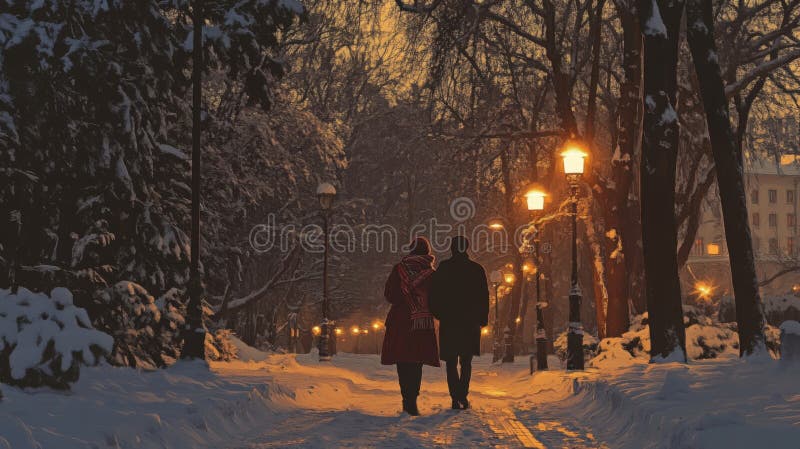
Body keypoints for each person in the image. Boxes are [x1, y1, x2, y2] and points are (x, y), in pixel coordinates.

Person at [381, 237, 440, 416]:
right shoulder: (431, 273)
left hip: (400, 320)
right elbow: (436, 299)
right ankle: (412, 400)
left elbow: (390, 295)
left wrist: (405, 298)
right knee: (416, 362)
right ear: (427, 252)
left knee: (403, 360)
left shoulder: (399, 270)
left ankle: (406, 399)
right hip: (421, 323)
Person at [429, 236, 489, 410]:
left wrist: (439, 314)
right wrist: (482, 318)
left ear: (452, 248)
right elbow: (483, 296)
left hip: (450, 322)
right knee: (466, 361)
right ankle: (463, 394)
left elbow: (434, 294)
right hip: (470, 322)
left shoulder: (444, 268)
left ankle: (455, 396)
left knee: (450, 361)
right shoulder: (476, 269)